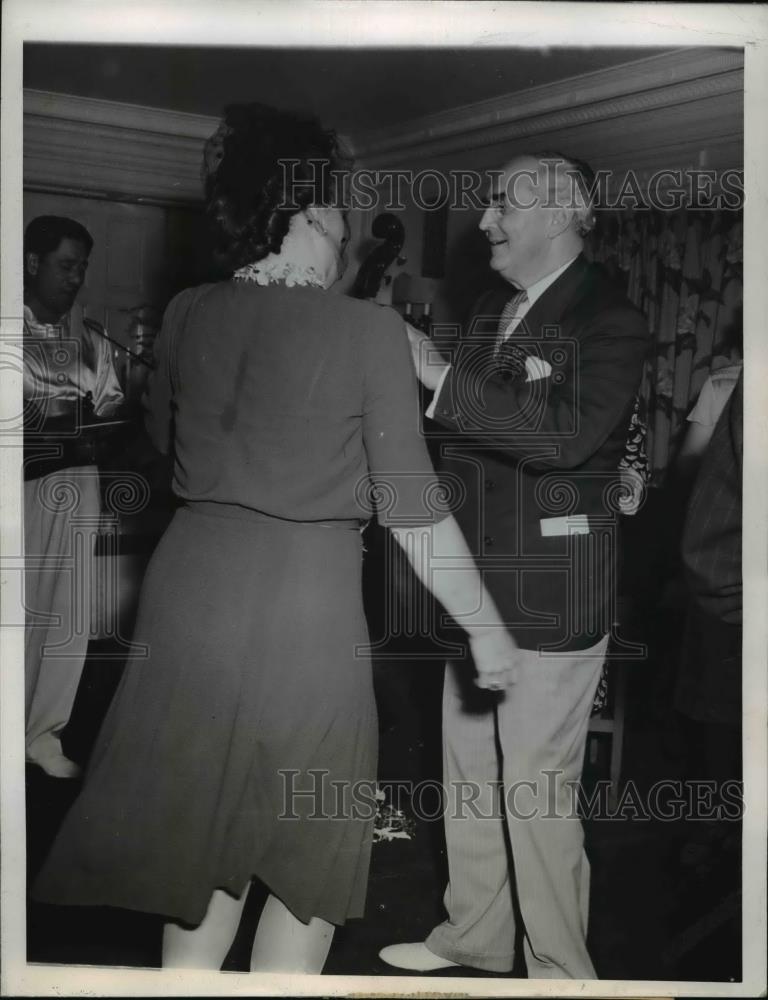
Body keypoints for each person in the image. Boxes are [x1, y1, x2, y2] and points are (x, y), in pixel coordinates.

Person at [33, 104, 519, 973]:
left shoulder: (184, 314)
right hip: (306, 611)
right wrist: (484, 625)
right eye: (337, 207)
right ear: (305, 213)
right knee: (302, 862)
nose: (342, 227)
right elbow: (411, 505)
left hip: (188, 606)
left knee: (197, 858)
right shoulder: (370, 331)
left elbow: (164, 441)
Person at [380, 153, 649, 978]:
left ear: (564, 213)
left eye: (503, 204)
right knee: (467, 771)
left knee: (535, 791)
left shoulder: (611, 318)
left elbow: (566, 439)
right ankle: (476, 934)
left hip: (551, 593)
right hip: (477, 592)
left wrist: (435, 372)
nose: (486, 220)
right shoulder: (499, 306)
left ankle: (562, 973)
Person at [23, 216, 124, 778]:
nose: (77, 277)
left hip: (78, 485)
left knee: (67, 612)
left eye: (83, 266)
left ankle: (43, 734)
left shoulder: (87, 336)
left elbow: (109, 409)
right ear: (33, 263)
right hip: (21, 489)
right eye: (66, 264)